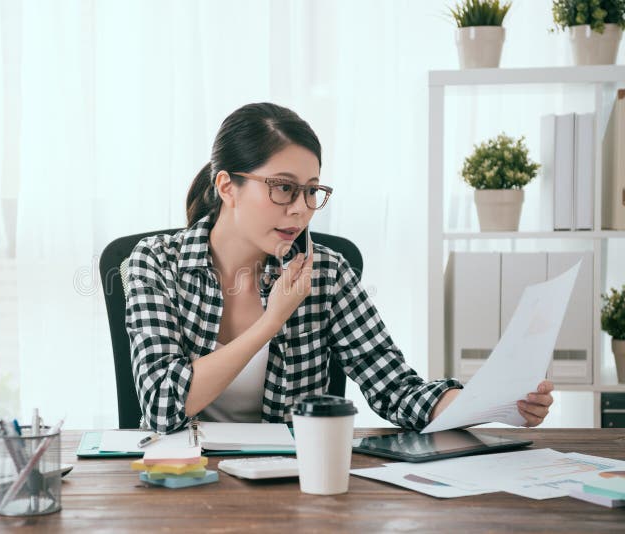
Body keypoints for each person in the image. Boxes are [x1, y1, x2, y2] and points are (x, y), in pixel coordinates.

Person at [125, 102, 554, 434]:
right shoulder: (155, 263)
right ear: (227, 187)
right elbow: (163, 406)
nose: (300, 210)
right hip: (180, 479)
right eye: (283, 188)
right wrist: (272, 320)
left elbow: (395, 389)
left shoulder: (325, 273)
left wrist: (490, 403)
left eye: (312, 191)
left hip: (293, 483)